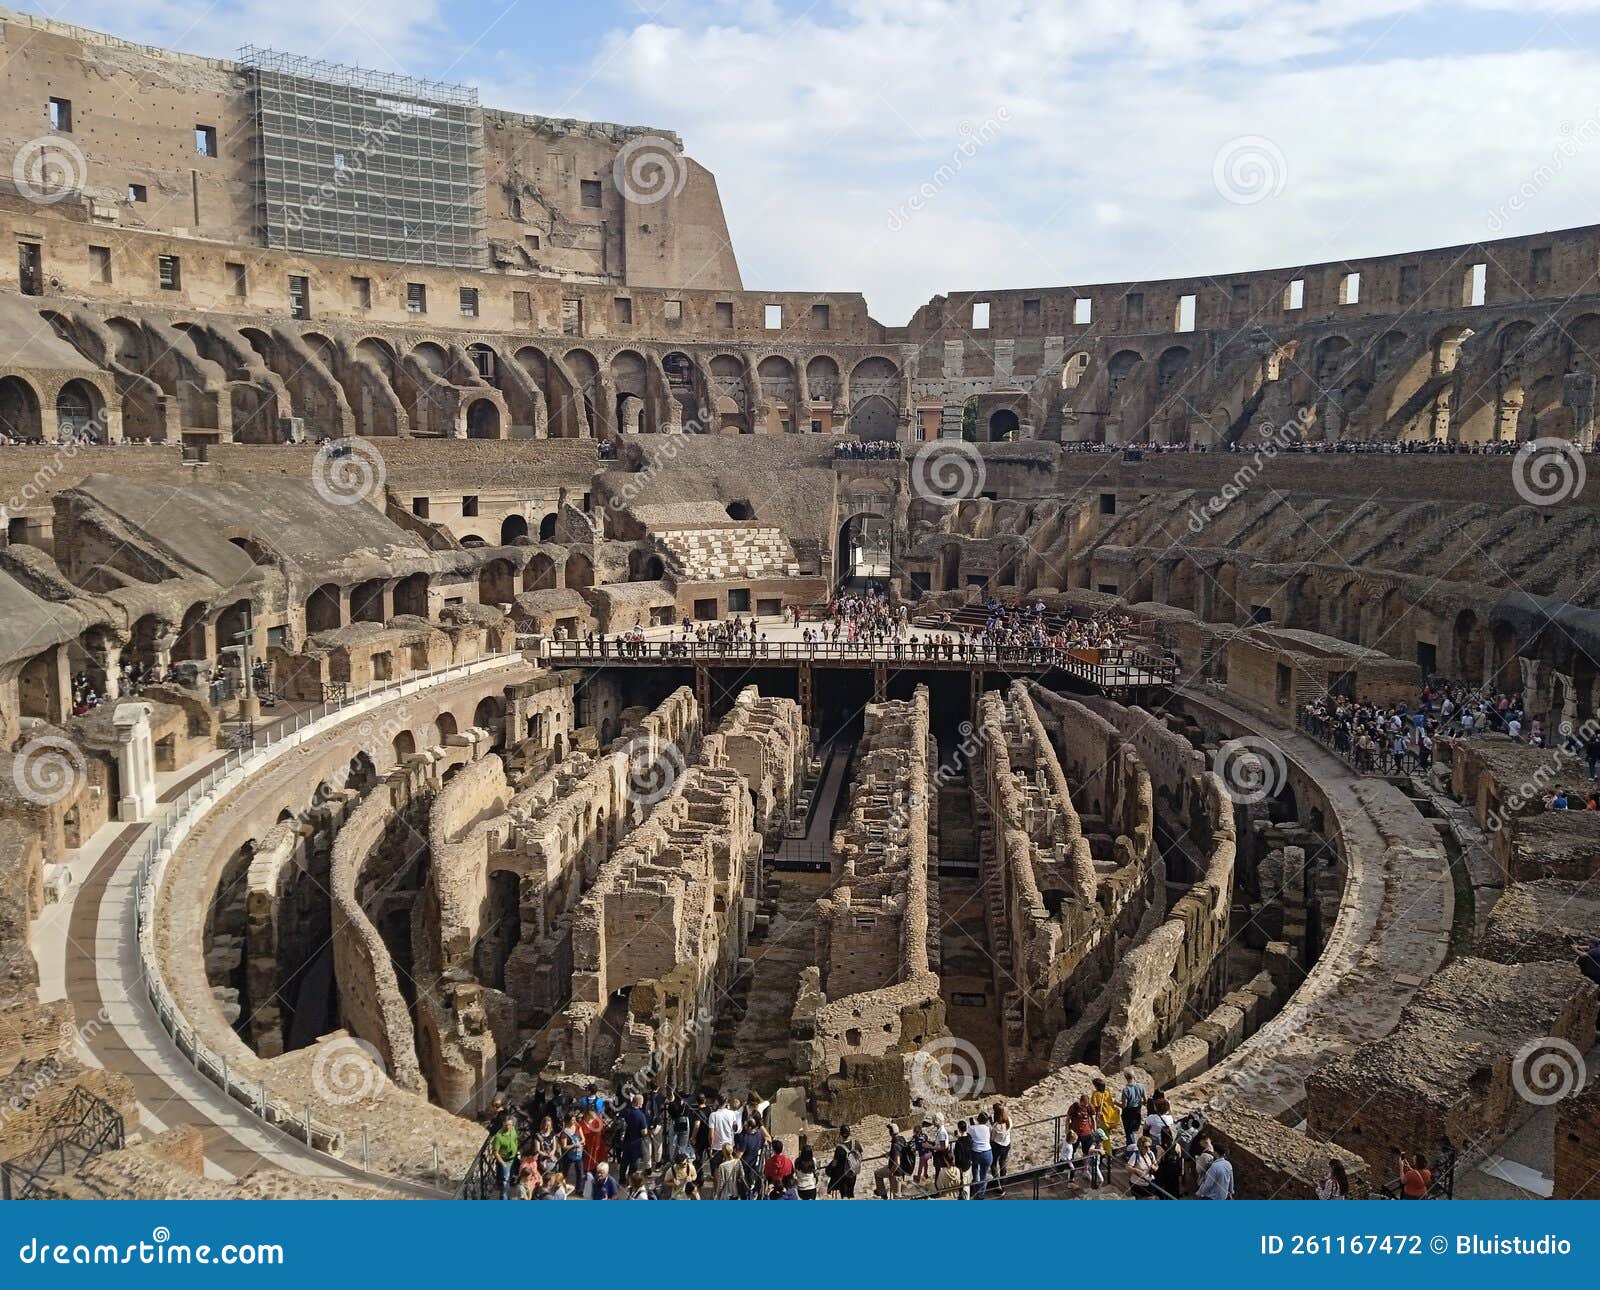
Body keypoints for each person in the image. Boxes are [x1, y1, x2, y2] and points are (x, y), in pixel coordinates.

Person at [826, 1125, 863, 1198]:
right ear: (849, 1133)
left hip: (843, 1175)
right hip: (853, 1173)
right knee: (851, 1194)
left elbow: (834, 1163)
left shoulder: (839, 1148)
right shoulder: (856, 1143)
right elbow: (860, 1156)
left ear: (840, 1134)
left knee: (844, 1195)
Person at [490, 1114, 519, 1200]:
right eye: (506, 1125)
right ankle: (504, 1198)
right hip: (505, 1161)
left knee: (510, 1178)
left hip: (513, 1159)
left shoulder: (513, 1130)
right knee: (505, 1182)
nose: (508, 1127)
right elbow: (495, 1152)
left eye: (510, 1125)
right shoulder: (499, 1137)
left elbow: (515, 1139)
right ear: (503, 1124)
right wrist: (503, 1163)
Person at [968, 1112, 994, 1199]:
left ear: (978, 1119)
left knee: (975, 1172)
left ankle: (974, 1190)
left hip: (976, 1153)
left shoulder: (972, 1128)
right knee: (984, 1174)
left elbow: (970, 1134)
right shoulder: (988, 1127)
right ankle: (981, 1194)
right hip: (987, 1153)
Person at [1119, 1070, 1147, 1147]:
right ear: (1134, 1076)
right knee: (1134, 1130)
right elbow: (1145, 1100)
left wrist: (1115, 1103)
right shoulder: (1141, 1086)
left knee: (1129, 1132)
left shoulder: (1126, 1090)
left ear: (1126, 1078)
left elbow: (1124, 1105)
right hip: (1137, 1111)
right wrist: (1138, 1103)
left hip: (1128, 1113)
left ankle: (1132, 1149)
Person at [991, 1102, 1012, 1188]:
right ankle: (1003, 1183)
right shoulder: (1009, 1121)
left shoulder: (996, 1126)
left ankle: (997, 1184)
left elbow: (992, 1138)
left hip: (997, 1145)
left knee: (993, 1164)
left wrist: (992, 1124)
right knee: (1003, 1162)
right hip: (1007, 1144)